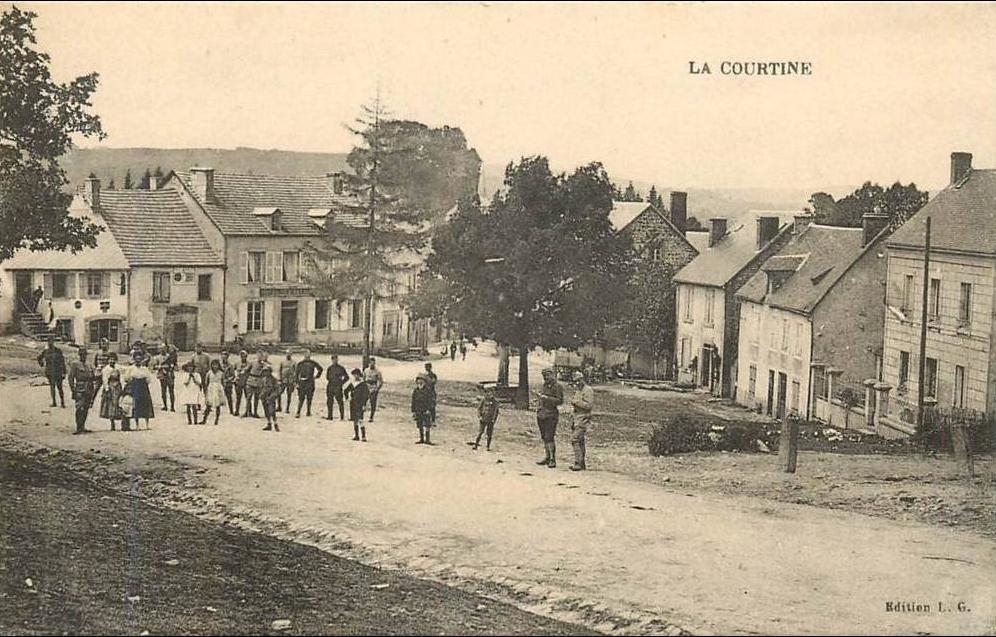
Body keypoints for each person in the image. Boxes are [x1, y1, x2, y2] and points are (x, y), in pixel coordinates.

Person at [535, 368, 564, 468]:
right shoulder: (544, 385)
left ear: (552, 375)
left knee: (549, 437)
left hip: (551, 414)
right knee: (544, 437)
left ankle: (552, 459)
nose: (545, 378)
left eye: (547, 375)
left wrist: (547, 398)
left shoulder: (558, 386)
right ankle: (547, 457)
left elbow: (560, 400)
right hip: (542, 414)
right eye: (544, 376)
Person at [67, 347, 98, 435]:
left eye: (84, 354)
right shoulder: (75, 364)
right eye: (81, 354)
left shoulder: (89, 365)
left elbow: (92, 376)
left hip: (89, 388)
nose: (83, 356)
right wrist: (73, 389)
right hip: (80, 388)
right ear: (79, 355)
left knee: (86, 408)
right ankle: (78, 427)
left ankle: (83, 426)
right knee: (79, 408)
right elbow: (71, 378)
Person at [569, 371, 595, 471]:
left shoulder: (588, 390)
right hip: (576, 418)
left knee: (575, 439)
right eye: (574, 381)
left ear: (581, 380)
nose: (576, 383)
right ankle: (581, 463)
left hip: (583, 418)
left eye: (577, 381)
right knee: (580, 441)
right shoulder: (578, 390)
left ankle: (578, 462)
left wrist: (576, 402)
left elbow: (588, 406)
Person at [123, 354, 155, 430]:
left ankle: (147, 424)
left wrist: (144, 382)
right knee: (136, 404)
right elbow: (126, 378)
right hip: (135, 386)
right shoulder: (131, 368)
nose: (138, 361)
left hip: (143, 387)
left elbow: (148, 379)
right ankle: (137, 425)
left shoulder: (144, 369)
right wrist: (132, 382)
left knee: (146, 404)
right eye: (137, 359)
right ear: (134, 360)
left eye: (140, 359)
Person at [37, 339, 67, 408]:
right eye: (49, 342)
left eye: (51, 342)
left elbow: (62, 362)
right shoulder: (46, 351)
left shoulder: (58, 351)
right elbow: (39, 358)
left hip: (58, 372)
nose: (50, 343)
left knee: (60, 387)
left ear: (53, 342)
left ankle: (62, 402)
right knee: (52, 387)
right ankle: (54, 402)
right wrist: (41, 364)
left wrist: (64, 372)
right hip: (50, 372)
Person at [294, 350, 323, 418]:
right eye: (306, 354)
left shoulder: (313, 363)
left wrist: (316, 376)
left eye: (309, 354)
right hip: (302, 382)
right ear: (304, 355)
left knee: (309, 397)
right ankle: (298, 412)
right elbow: (296, 374)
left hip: (310, 382)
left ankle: (308, 411)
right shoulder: (300, 364)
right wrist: (297, 383)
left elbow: (320, 369)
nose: (307, 356)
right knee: (301, 398)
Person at [99, 356, 124, 431]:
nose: (112, 361)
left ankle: (122, 423)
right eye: (110, 359)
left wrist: (122, 387)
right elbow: (105, 380)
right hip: (111, 387)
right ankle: (112, 423)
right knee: (110, 404)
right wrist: (107, 389)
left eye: (113, 359)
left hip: (118, 387)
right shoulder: (106, 369)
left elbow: (122, 377)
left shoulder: (118, 367)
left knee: (118, 403)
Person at [343, 368, 370, 441]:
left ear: (359, 375)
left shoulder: (363, 384)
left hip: (360, 403)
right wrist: (347, 398)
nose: (355, 376)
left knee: (360, 419)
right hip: (353, 403)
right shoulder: (352, 383)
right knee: (354, 419)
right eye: (354, 375)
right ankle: (356, 435)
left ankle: (363, 436)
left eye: (357, 375)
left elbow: (366, 395)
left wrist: (364, 404)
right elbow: (345, 391)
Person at [150, 343, 177, 412]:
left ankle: (172, 406)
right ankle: (165, 405)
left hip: (170, 374)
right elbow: (153, 367)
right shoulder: (157, 358)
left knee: (171, 390)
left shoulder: (170, 356)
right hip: (162, 375)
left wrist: (172, 366)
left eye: (164, 348)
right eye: (161, 349)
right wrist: (160, 367)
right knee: (163, 390)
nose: (163, 350)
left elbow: (175, 365)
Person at [473, 385, 500, 451]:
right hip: (483, 419)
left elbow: (496, 412)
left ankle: (487, 447)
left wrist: (493, 419)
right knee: (480, 432)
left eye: (491, 393)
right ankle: (476, 445)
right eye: (488, 392)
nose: (490, 394)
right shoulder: (484, 400)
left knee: (489, 434)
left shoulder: (495, 402)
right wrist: (479, 416)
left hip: (490, 420)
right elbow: (479, 409)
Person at [244, 350, 268, 417]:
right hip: (251, 380)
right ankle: (247, 412)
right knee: (248, 397)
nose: (260, 357)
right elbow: (246, 370)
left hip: (258, 382)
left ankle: (255, 412)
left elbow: (267, 371)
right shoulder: (252, 363)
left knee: (256, 398)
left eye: (261, 356)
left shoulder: (264, 364)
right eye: (259, 355)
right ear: (257, 355)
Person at [412, 374, 434, 445]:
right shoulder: (416, 391)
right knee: (420, 424)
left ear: (424, 382)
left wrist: (429, 409)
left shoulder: (428, 390)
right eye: (418, 382)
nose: (420, 383)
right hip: (418, 409)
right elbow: (413, 401)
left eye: (421, 381)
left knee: (427, 425)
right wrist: (413, 411)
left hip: (425, 409)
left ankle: (427, 439)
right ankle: (421, 439)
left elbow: (430, 401)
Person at [325, 354, 349, 420]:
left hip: (338, 387)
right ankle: (330, 416)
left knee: (340, 401)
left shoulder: (341, 368)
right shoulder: (329, 368)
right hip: (330, 386)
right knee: (329, 401)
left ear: (337, 360)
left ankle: (342, 416)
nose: (334, 361)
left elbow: (347, 377)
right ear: (331, 360)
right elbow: (327, 377)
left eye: (336, 359)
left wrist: (341, 383)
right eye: (333, 359)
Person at [203, 359, 226, 425]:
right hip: (211, 389)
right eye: (213, 365)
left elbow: (223, 382)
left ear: (219, 366)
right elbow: (206, 382)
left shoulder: (221, 373)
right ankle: (204, 419)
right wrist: (207, 390)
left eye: (216, 365)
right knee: (208, 405)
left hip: (218, 389)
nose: (215, 366)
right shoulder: (209, 373)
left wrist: (221, 390)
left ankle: (216, 420)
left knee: (217, 405)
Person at [260, 366, 282, 432]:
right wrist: (261, 394)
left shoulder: (274, 380)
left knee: (272, 411)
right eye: (265, 371)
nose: (266, 373)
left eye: (267, 371)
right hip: (264, 397)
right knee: (266, 411)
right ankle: (269, 423)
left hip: (271, 397)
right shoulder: (263, 379)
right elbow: (261, 387)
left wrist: (272, 396)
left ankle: (275, 424)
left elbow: (277, 390)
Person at [363, 357, 383, 422]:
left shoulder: (377, 371)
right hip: (366, 387)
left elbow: (380, 381)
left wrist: (377, 388)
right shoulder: (366, 370)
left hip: (373, 387)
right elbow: (363, 379)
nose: (372, 364)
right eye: (371, 363)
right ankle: (361, 415)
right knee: (363, 401)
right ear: (369, 363)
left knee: (373, 402)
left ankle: (371, 417)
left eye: (373, 363)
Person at [233, 350, 250, 416]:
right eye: (242, 356)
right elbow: (232, 371)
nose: (243, 357)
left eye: (244, 356)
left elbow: (247, 370)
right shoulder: (237, 363)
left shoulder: (249, 364)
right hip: (239, 382)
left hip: (246, 382)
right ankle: (237, 411)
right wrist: (234, 378)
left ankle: (248, 411)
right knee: (238, 398)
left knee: (248, 398)